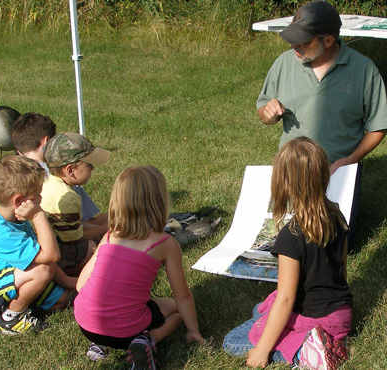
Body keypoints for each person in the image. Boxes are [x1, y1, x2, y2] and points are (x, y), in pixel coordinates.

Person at [256, 1, 387, 247]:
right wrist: (268, 112)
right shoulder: (284, 63)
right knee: (287, 242)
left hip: (339, 170)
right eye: (292, 40)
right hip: (293, 167)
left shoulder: (364, 70)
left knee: (337, 244)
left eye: (303, 42)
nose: (294, 46)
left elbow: (378, 127)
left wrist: (350, 160)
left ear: (328, 41)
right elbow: (262, 111)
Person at [223, 137, 352, 369]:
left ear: (284, 183)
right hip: (341, 314)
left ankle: (308, 348)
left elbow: (285, 298)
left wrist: (262, 351)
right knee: (259, 309)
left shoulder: (291, 236)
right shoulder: (337, 216)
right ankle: (323, 339)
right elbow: (342, 269)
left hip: (315, 320)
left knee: (232, 342)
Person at [74, 165, 204, 369]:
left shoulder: (110, 235)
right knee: (177, 310)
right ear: (159, 202)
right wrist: (193, 330)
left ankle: (98, 346)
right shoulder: (165, 244)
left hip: (86, 323)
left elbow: (81, 285)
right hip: (126, 331)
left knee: (127, 305)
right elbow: (183, 297)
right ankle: (147, 340)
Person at [0, 155, 76, 334]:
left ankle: (20, 303)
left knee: (62, 300)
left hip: (8, 274)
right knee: (43, 270)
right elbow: (51, 255)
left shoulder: (10, 213)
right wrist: (38, 215)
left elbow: (40, 252)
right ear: (19, 201)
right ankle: (10, 318)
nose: (40, 197)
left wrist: (69, 282)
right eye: (37, 194)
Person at [11, 112, 105, 223]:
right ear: (47, 142)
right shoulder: (60, 175)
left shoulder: (10, 173)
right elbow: (85, 222)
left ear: (18, 151)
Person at [40, 132, 110, 276]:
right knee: (91, 247)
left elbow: (73, 226)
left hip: (50, 240)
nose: (93, 168)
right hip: (52, 251)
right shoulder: (68, 198)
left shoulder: (49, 181)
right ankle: (72, 277)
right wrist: (107, 228)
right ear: (71, 170)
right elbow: (74, 238)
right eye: (89, 164)